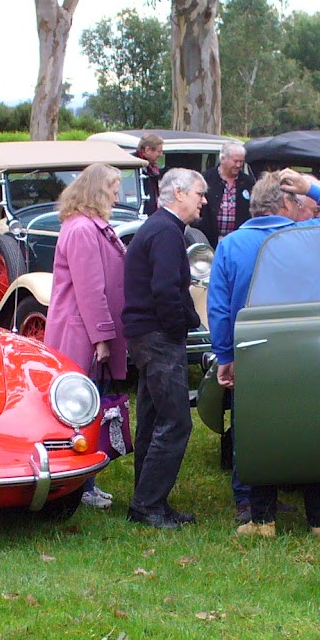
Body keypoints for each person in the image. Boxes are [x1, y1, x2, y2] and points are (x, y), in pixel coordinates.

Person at [208, 169, 320, 538]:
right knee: (313, 428)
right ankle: (319, 520)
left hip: (255, 347)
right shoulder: (307, 238)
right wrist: (315, 188)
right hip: (309, 348)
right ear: (287, 203)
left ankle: (261, 519)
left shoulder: (230, 245)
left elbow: (219, 308)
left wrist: (225, 355)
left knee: (255, 429)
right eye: (299, 201)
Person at [121, 168, 206, 529]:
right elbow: (166, 290)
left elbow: (170, 289)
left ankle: (150, 500)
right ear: (179, 193)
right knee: (175, 421)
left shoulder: (160, 228)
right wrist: (177, 330)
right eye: (200, 194)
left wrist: (185, 324)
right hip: (157, 337)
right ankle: (147, 505)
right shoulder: (166, 232)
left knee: (154, 418)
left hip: (146, 334)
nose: (204, 201)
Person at [43, 163, 128, 509]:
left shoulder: (90, 227)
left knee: (91, 407)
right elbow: (90, 289)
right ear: (96, 190)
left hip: (87, 330)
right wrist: (102, 337)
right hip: (81, 332)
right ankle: (81, 486)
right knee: (82, 410)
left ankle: (87, 482)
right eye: (113, 187)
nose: (117, 195)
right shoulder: (82, 230)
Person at [201, 142, 254, 245]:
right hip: (210, 241)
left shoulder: (248, 182)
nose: (238, 165)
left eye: (241, 161)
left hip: (239, 240)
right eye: (235, 161)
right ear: (223, 159)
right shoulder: (206, 179)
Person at [134, 133, 165, 216]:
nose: (161, 155)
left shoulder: (151, 170)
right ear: (147, 150)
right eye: (159, 151)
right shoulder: (134, 168)